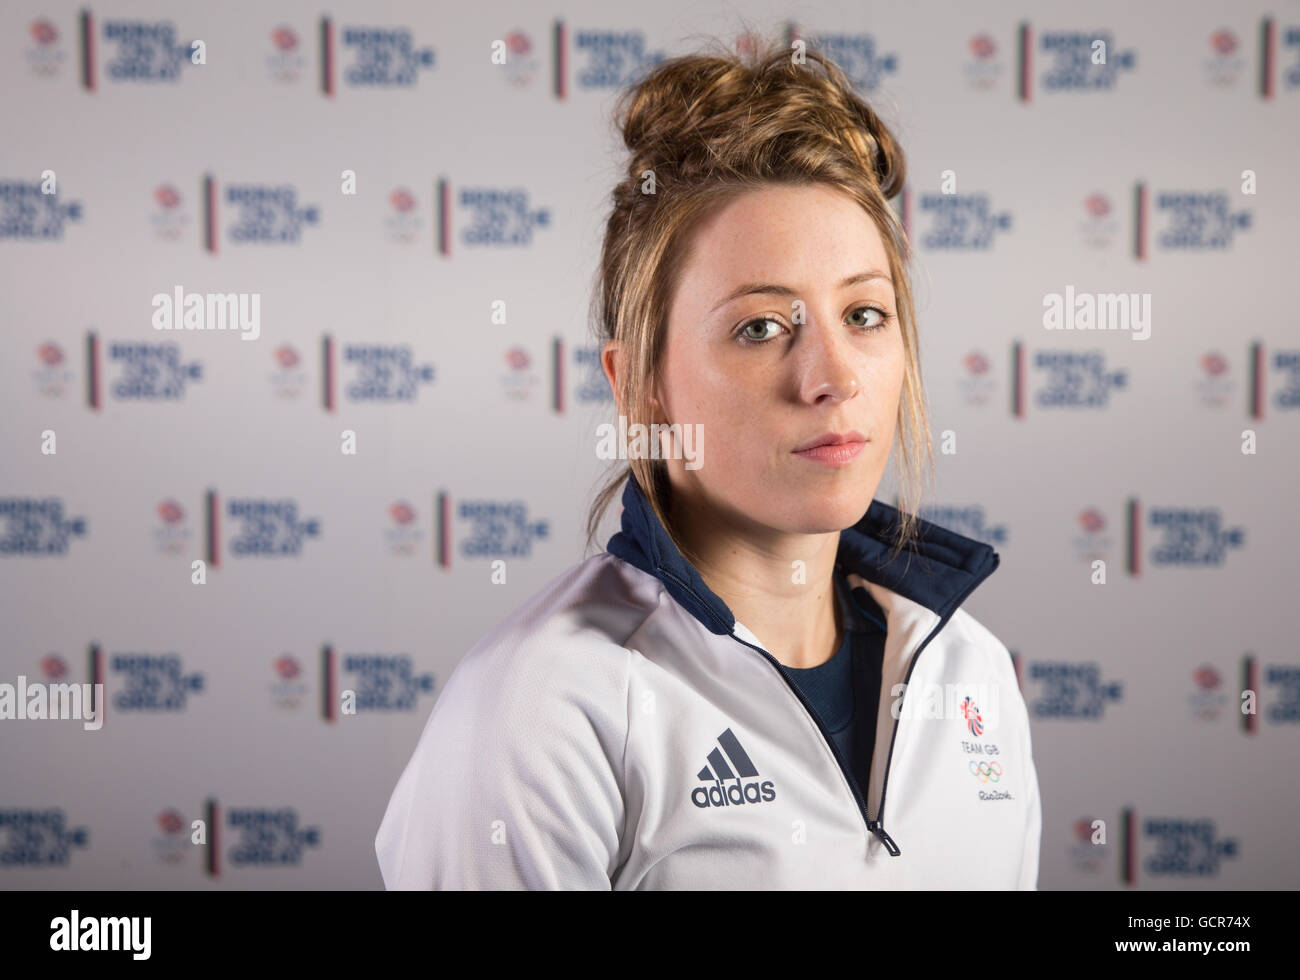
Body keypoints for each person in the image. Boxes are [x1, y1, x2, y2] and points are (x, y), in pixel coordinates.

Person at [375, 38, 1041, 890]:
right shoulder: (542, 709)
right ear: (641, 384)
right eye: (761, 327)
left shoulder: (968, 672)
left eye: (866, 315)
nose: (833, 379)